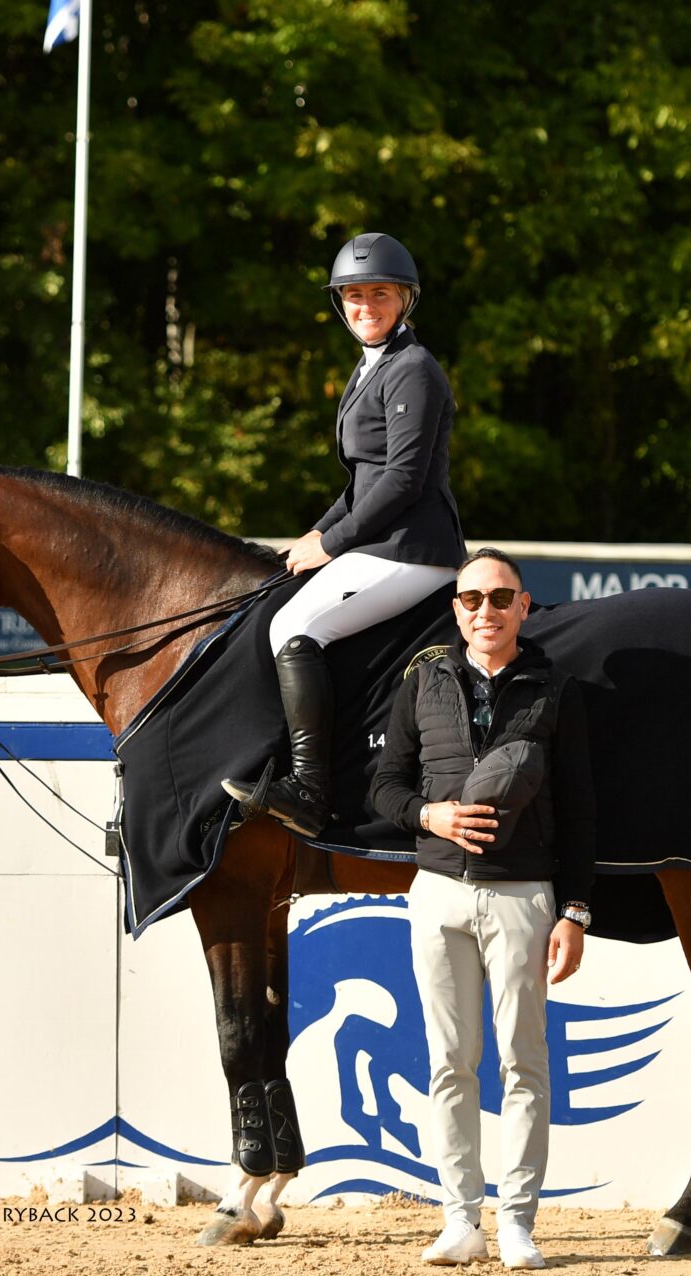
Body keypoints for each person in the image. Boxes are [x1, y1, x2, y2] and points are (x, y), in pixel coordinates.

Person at [367, 547, 595, 1271]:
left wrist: (576, 911)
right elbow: (384, 788)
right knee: (449, 1064)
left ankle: (518, 1223)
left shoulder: (556, 689)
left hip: (525, 897)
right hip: (436, 895)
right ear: (456, 609)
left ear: (524, 606)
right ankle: (461, 1221)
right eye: (472, 599)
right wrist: (430, 818)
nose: (485, 611)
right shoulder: (422, 683)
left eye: (501, 598)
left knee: (523, 1064)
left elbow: (584, 811)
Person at [221, 232, 465, 837]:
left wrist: (331, 545)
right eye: (353, 296)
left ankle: (309, 789)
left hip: (413, 550)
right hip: (380, 538)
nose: (365, 307)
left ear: (405, 299)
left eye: (378, 294)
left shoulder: (413, 369)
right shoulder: (369, 368)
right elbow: (362, 483)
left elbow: (403, 482)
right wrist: (315, 533)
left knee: (293, 626)